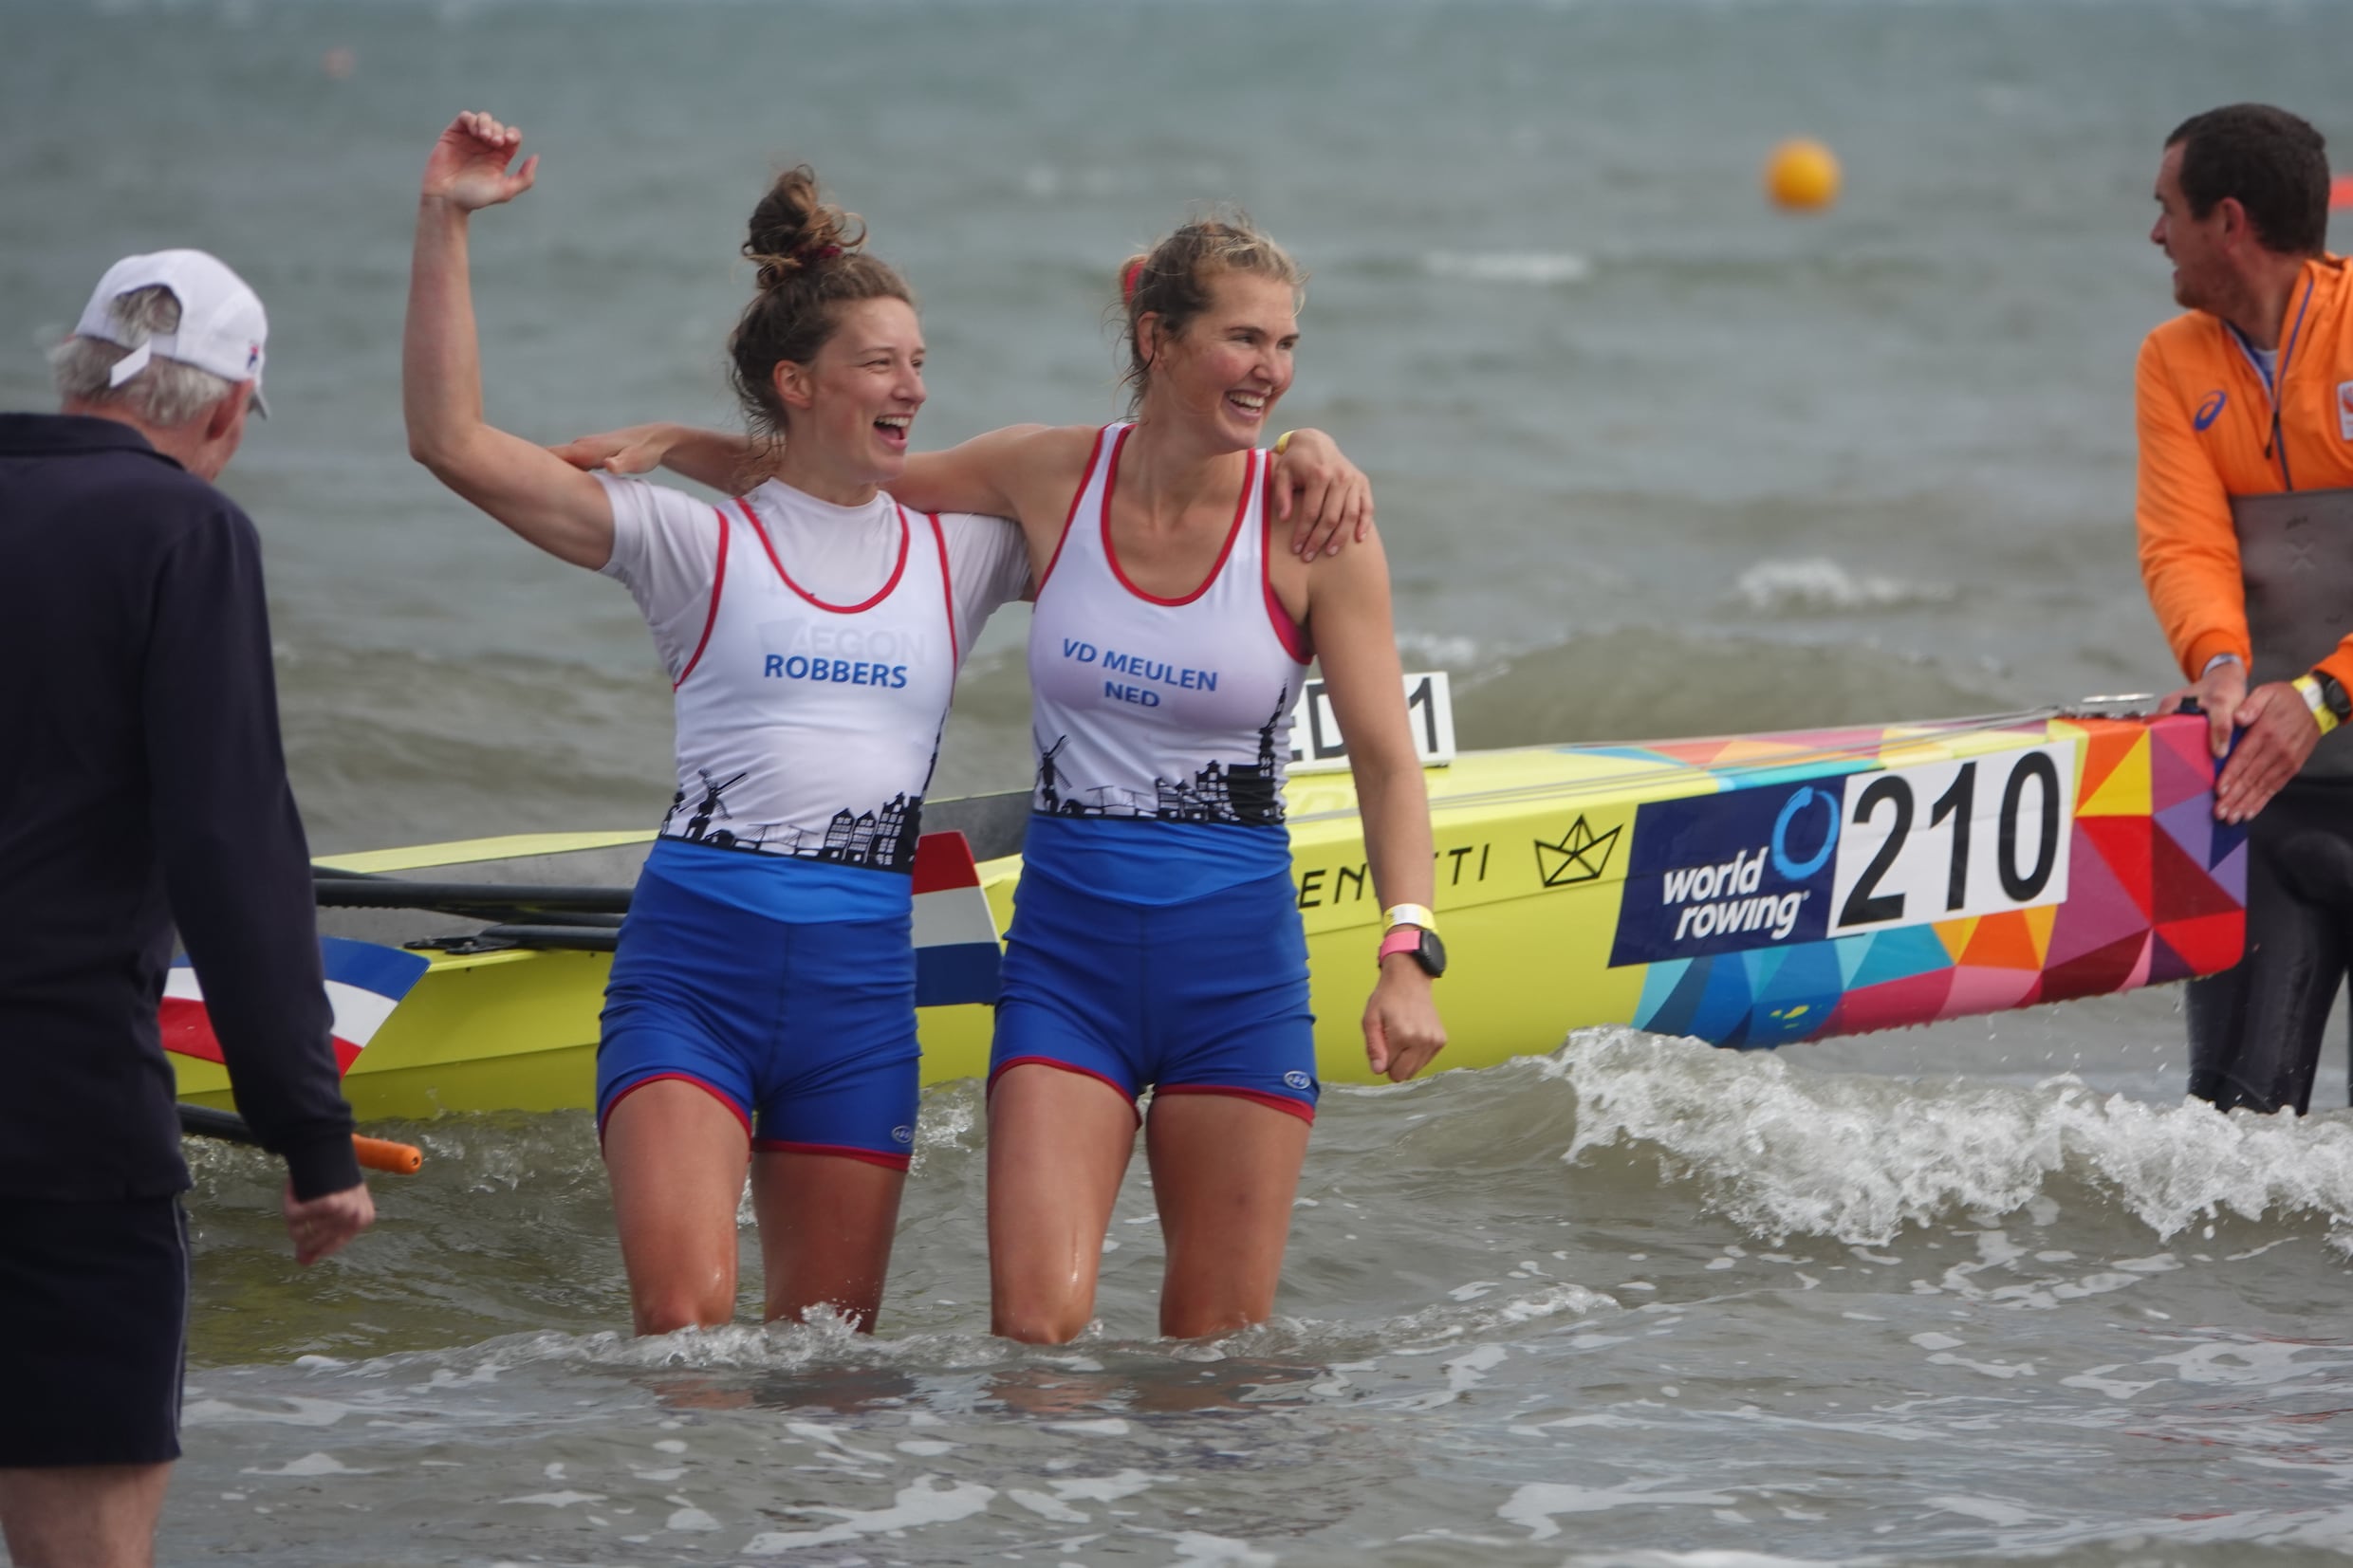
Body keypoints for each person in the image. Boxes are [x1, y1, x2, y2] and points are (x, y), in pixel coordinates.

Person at [403, 112, 1059, 1335]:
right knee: (685, 1343)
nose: (912, 388)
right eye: (880, 364)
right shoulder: (692, 539)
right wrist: (445, 220)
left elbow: (1142, 505)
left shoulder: (959, 554)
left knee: (828, 1366)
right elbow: (449, 443)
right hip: (693, 974)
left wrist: (1305, 451)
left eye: (919, 362)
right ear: (797, 385)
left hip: (863, 990)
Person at [0, 249, 373, 1568]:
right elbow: (229, 842)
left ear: (78, 366)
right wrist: (307, 1128)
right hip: (57, 1112)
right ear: (222, 412)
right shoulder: (182, 531)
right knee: (81, 1540)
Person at [2139, 103, 2353, 1116]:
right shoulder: (2171, 363)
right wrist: (2219, 666)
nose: (2152, 236)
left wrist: (2321, 694)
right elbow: (2185, 543)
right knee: (2223, 1149)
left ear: (2227, 222)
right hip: (2261, 798)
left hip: (2307, 728)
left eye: (2164, 210)